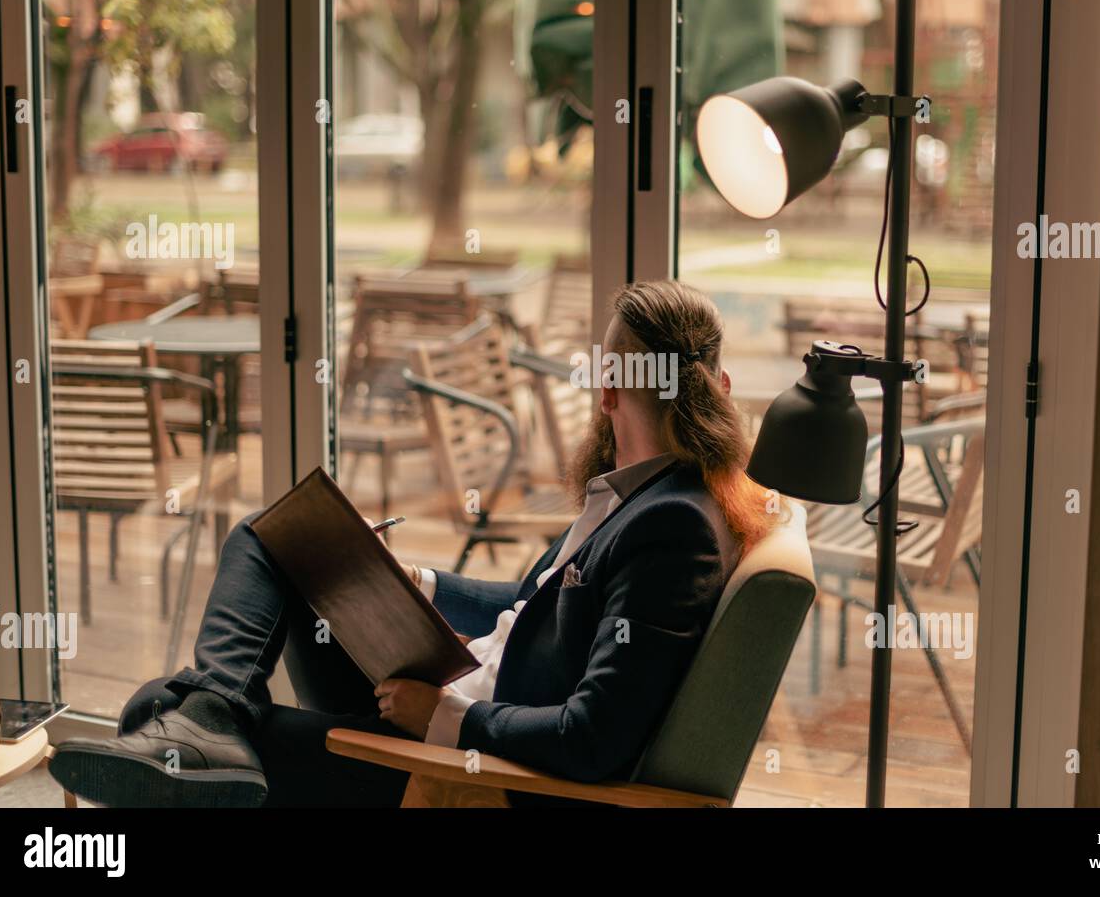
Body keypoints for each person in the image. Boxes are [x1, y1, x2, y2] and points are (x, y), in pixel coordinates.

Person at [49, 280, 774, 807]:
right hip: (452, 693)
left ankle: (209, 716)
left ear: (611, 390)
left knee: (153, 707)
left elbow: (591, 737)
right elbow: (532, 604)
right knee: (281, 538)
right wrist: (414, 580)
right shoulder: (648, 493)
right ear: (720, 385)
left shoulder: (672, 527)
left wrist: (443, 714)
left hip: (461, 771)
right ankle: (214, 712)